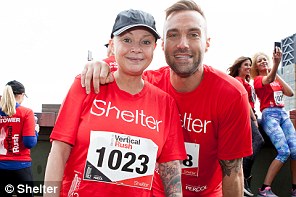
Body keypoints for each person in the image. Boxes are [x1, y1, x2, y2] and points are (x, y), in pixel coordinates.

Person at [80, 0, 253, 196]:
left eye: (193, 34)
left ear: (207, 43)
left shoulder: (231, 93)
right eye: (173, 35)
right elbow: (120, 67)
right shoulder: (147, 84)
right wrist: (100, 65)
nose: (182, 44)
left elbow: (233, 173)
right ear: (162, 45)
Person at [44, 9, 186, 197]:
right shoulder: (86, 85)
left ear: (154, 47)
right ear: (112, 44)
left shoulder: (165, 103)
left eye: (145, 42)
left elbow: (171, 167)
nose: (136, 48)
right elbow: (59, 151)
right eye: (127, 40)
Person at [250, 49, 296, 197]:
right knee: (284, 151)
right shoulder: (257, 80)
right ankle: (265, 189)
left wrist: (275, 71)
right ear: (256, 67)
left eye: (265, 60)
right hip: (270, 115)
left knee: (295, 151)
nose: (263, 62)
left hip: (283, 114)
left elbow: (290, 93)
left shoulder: (275, 78)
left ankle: (294, 188)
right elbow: (267, 80)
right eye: (260, 61)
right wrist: (276, 65)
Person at [228, 56, 265, 196]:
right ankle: (244, 175)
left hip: (251, 114)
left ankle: (245, 179)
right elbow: (243, 99)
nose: (249, 67)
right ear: (239, 67)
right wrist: (253, 117)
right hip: (244, 115)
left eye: (250, 65)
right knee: (258, 140)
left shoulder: (246, 82)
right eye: (245, 65)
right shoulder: (237, 80)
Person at [0, 80, 38, 197]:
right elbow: (29, 143)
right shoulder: (26, 113)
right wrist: (35, 131)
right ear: (21, 95)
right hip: (21, 168)